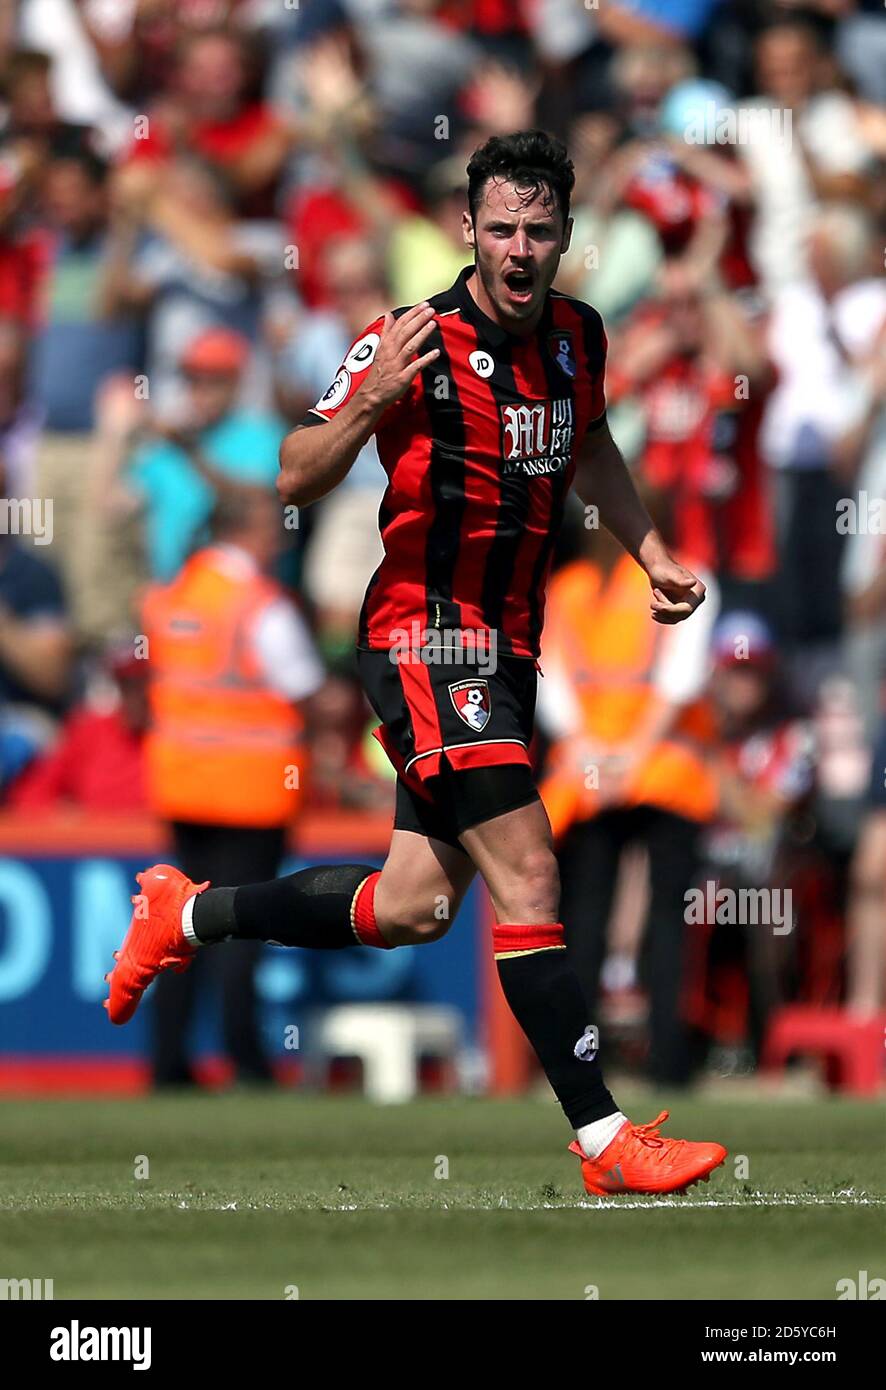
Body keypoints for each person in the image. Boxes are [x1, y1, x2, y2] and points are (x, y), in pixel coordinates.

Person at [104, 130, 727, 1196]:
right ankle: (603, 1138)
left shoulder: (579, 336)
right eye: (500, 228)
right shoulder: (415, 336)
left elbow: (591, 448)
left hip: (509, 648)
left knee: (411, 908)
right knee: (529, 870)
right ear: (467, 230)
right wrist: (363, 402)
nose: (518, 249)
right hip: (423, 637)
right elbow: (294, 475)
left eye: (538, 230)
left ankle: (189, 912)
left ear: (565, 235)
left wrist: (652, 549)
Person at [138, 485, 325, 1087]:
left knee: (176, 923)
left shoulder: (172, 596)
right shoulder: (259, 603)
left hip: (183, 785)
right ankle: (246, 1059)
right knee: (241, 921)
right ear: (245, 529)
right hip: (250, 789)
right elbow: (304, 686)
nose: (282, 534)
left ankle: (169, 1061)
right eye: (272, 524)